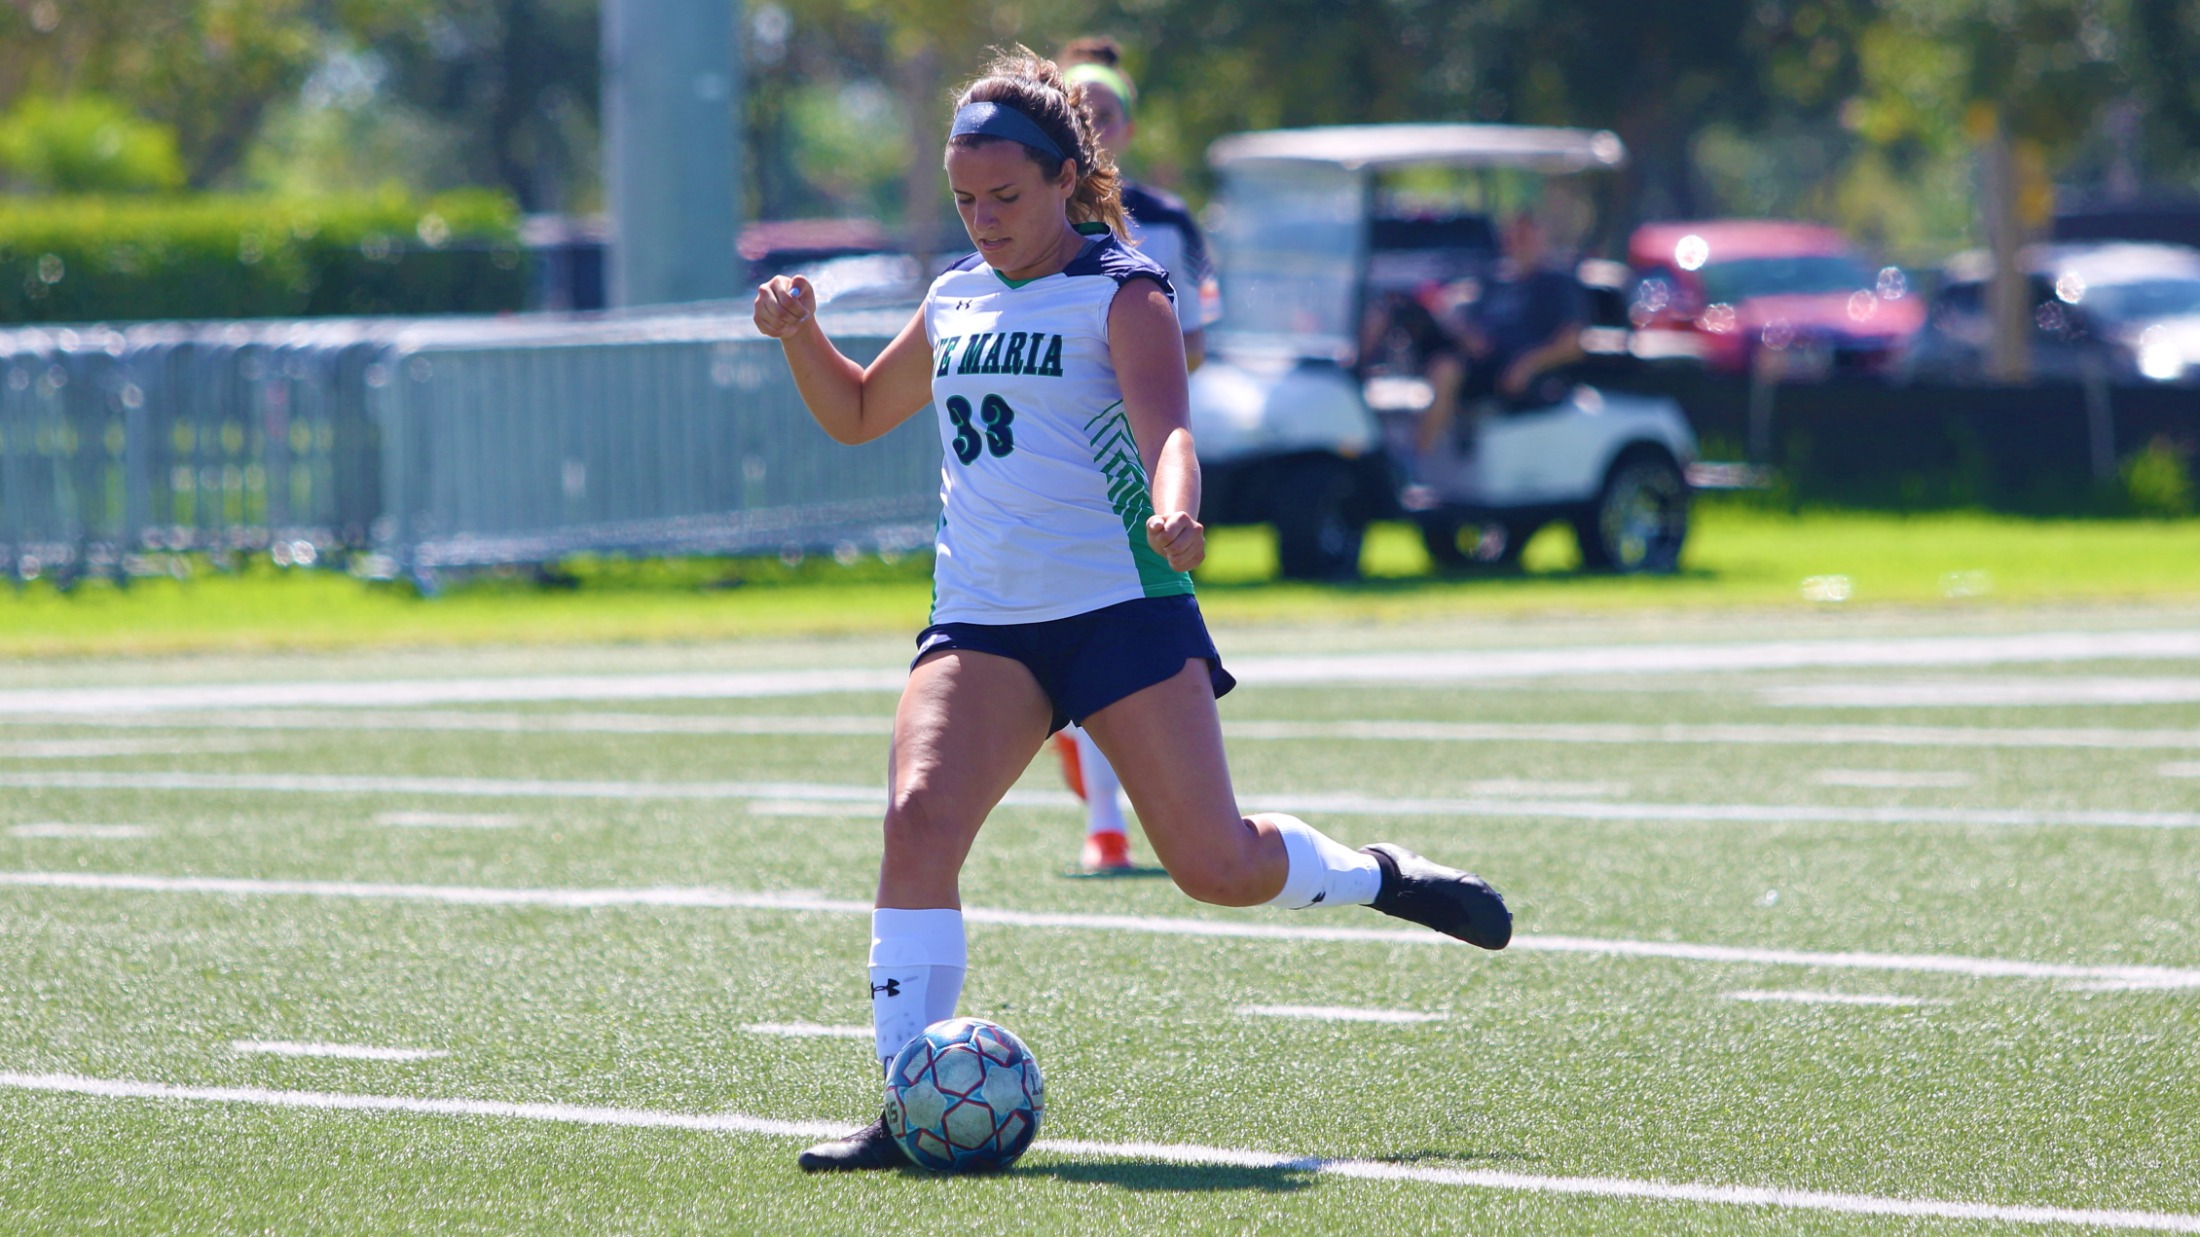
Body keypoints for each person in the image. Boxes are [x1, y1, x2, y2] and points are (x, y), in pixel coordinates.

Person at [751, 47, 1512, 1174]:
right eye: (965, 200)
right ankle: (908, 1104)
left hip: (1120, 608)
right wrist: (798, 336)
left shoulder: (1124, 287)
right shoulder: (954, 294)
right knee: (916, 822)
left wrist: (1176, 510)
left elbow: (1169, 430)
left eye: (1004, 197)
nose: (983, 220)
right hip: (982, 620)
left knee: (1216, 865)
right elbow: (860, 412)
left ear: (1068, 177)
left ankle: (1374, 874)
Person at [1049, 35, 1225, 874]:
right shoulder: (1025, 215)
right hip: (1054, 457)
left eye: (1105, 113)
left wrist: (1132, 375)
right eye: (1079, 114)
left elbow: (1187, 345)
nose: (1094, 128)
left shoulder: (1165, 222)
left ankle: (1132, 813)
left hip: (1134, 444)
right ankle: (1106, 817)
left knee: (1134, 618)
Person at [1416, 213, 1586, 459]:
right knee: (1435, 356)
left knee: (1446, 371)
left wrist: (1528, 364)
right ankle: (1429, 456)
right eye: (1513, 236)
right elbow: (1473, 327)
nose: (1517, 243)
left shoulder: (1557, 284)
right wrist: (1463, 332)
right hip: (1484, 360)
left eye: (1525, 236)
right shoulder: (1494, 282)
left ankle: (1420, 463)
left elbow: (1571, 345)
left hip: (1523, 368)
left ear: (1540, 239)